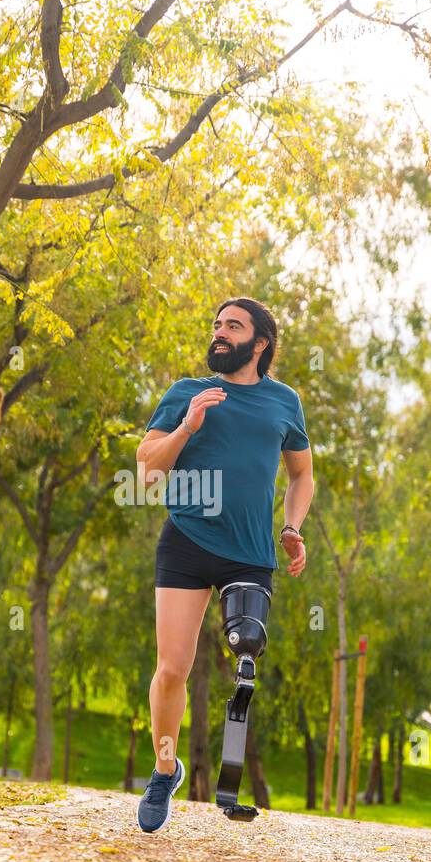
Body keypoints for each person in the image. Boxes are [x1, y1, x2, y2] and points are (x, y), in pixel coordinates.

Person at [134, 297, 314, 834]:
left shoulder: (285, 402)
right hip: (187, 541)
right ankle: (166, 770)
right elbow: (146, 471)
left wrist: (292, 528)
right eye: (216, 324)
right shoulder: (186, 393)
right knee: (172, 669)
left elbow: (302, 475)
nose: (219, 333)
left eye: (232, 326)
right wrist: (187, 427)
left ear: (259, 343)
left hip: (251, 550)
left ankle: (232, 776)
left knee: (246, 646)